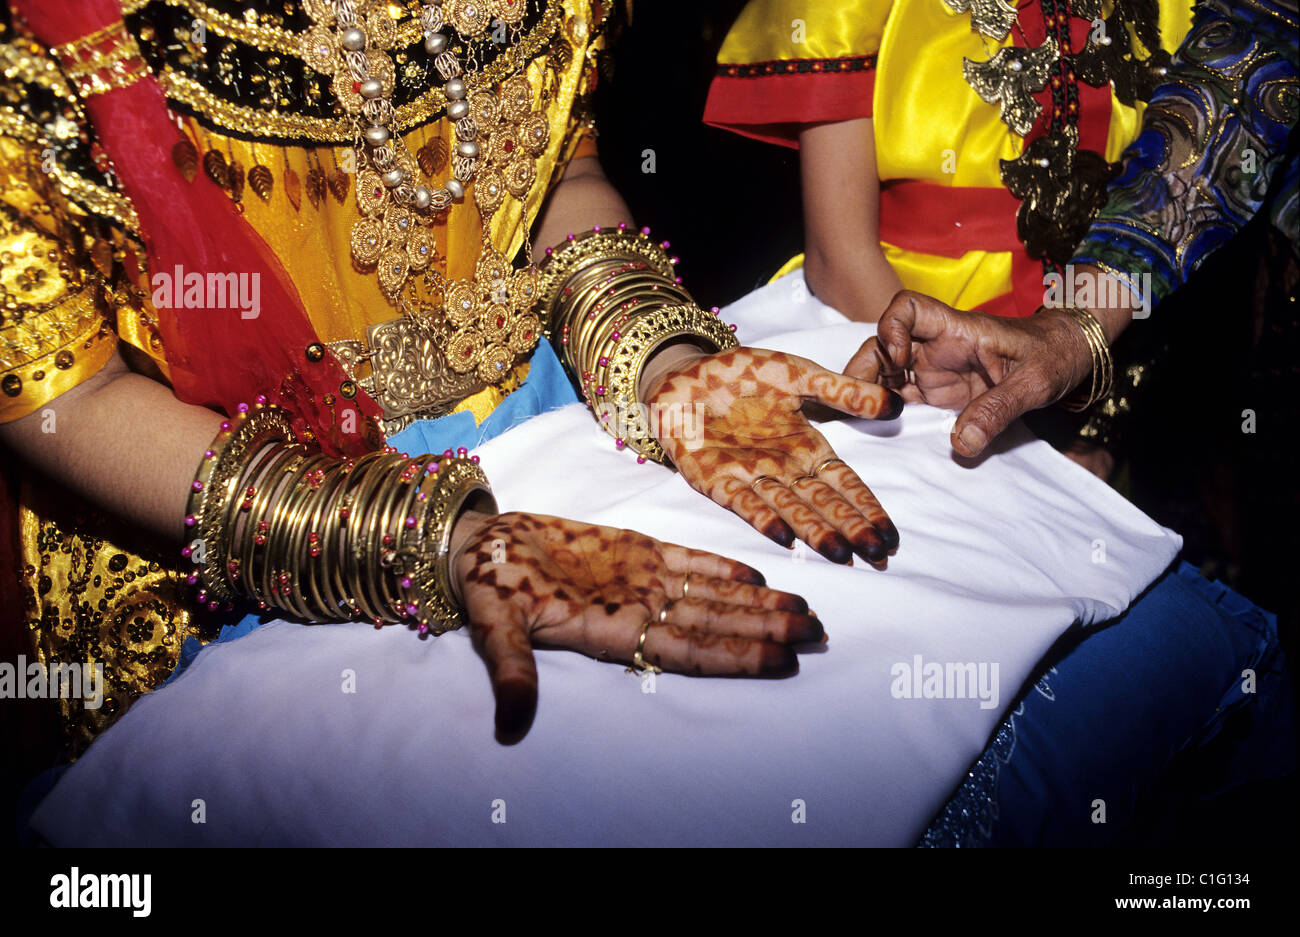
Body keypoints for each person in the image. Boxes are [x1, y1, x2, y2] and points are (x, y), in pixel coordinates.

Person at [0, 0, 909, 764]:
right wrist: (429, 537)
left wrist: (657, 356)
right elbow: (67, 396)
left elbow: (558, 173)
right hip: (220, 519)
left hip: (543, 418)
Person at [703, 0, 1297, 843]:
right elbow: (843, 261)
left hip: (1106, 375)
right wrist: (996, 433)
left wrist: (1080, 402)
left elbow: (1221, 127)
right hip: (891, 349)